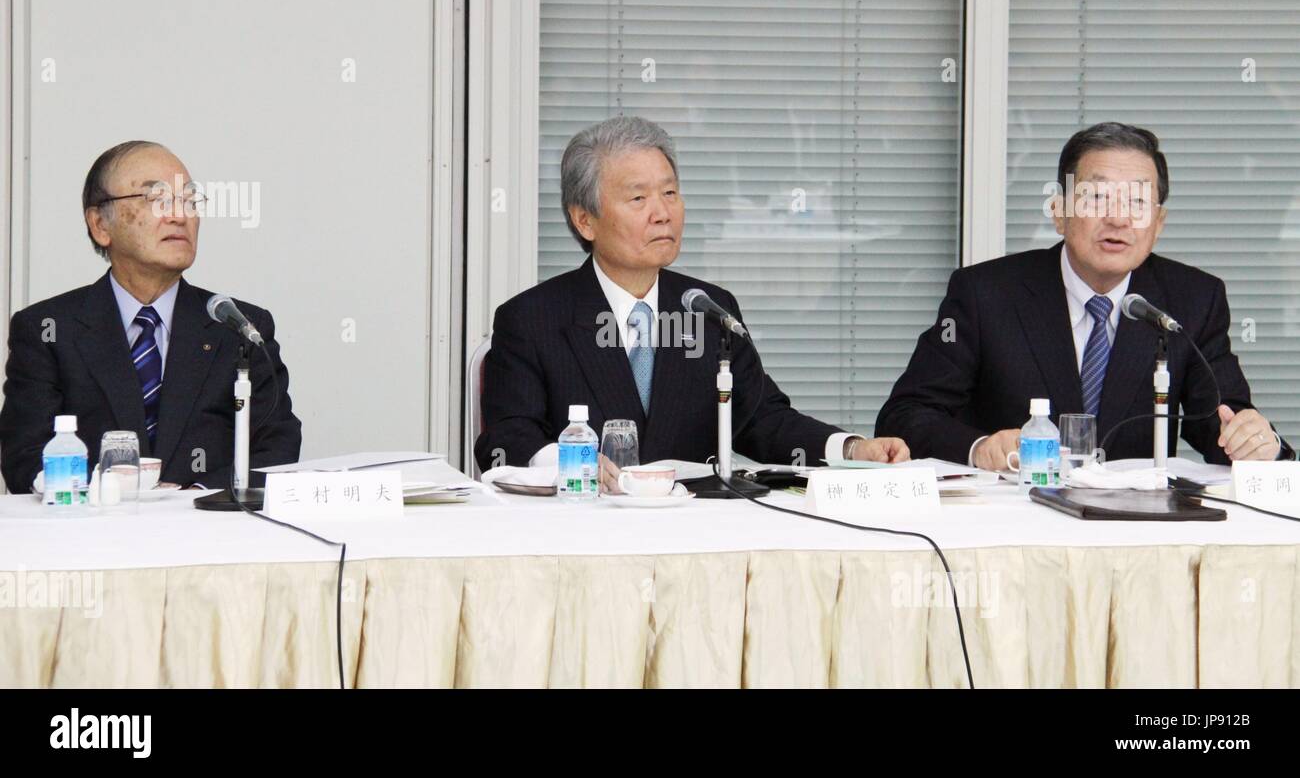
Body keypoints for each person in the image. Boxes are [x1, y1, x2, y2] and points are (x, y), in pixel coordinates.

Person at [475, 116, 909, 475]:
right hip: (588, 535)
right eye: (638, 197)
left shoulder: (706, 309)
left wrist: (851, 449)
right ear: (585, 220)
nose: (662, 212)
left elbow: (761, 419)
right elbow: (509, 437)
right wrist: (577, 463)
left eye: (669, 193)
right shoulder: (531, 319)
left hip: (694, 534)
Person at [876, 122, 1293, 468]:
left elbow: (1221, 422)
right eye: (1095, 197)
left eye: (1137, 202)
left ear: (1159, 223)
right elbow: (905, 416)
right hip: (1015, 525)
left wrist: (1258, 443)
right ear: (1058, 212)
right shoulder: (986, 294)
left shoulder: (1193, 300)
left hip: (1137, 531)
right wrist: (979, 447)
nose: (1117, 217)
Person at [0, 141, 301, 492]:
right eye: (157, 199)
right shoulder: (48, 330)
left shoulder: (238, 326)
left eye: (189, 200)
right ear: (100, 224)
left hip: (212, 534)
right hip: (90, 537)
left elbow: (276, 449)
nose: (180, 215)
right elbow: (24, 456)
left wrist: (192, 499)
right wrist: (114, 495)